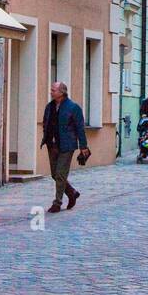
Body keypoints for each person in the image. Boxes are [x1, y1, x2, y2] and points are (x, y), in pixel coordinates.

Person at [41, 81, 88, 213]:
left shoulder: (73, 107)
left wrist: (83, 146)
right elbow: (45, 122)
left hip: (67, 145)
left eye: (53, 90)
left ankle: (57, 203)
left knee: (61, 174)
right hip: (52, 144)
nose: (51, 92)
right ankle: (72, 192)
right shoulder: (49, 107)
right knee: (54, 174)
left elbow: (80, 128)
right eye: (51, 90)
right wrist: (46, 137)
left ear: (61, 93)